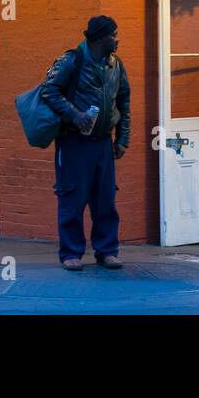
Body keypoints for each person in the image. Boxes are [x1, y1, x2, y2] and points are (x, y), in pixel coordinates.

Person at [40, 15, 131, 270]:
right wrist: (74, 116)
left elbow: (124, 100)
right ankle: (71, 253)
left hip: (103, 142)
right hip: (74, 142)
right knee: (72, 198)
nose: (117, 39)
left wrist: (123, 137)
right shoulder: (71, 61)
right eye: (113, 34)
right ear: (99, 38)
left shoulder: (116, 65)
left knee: (105, 199)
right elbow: (49, 91)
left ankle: (107, 251)